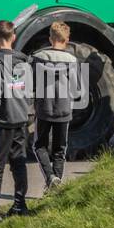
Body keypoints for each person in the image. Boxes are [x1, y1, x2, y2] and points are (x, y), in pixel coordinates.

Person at [0, 20, 31, 219]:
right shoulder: (24, 61)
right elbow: (28, 91)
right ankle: (20, 204)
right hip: (21, 117)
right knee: (19, 162)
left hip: (2, 120)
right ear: (13, 37)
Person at [30, 21, 79, 189]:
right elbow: (76, 88)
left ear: (50, 39)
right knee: (60, 149)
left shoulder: (38, 57)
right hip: (64, 109)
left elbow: (32, 84)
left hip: (44, 109)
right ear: (67, 39)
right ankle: (56, 182)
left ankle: (50, 177)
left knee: (39, 146)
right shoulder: (72, 60)